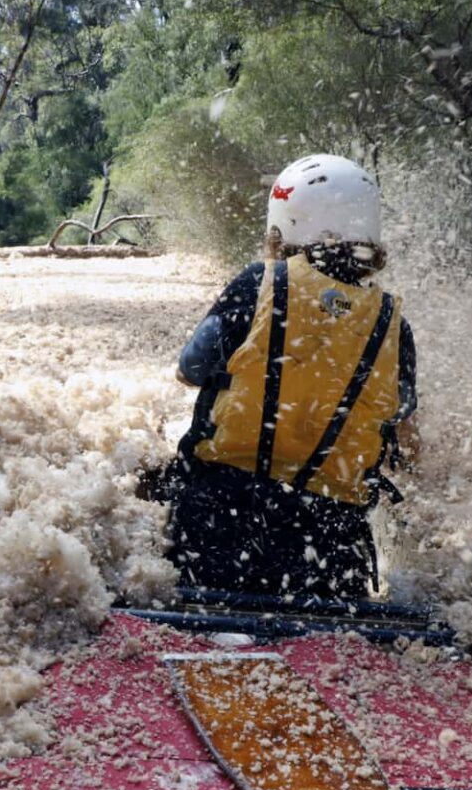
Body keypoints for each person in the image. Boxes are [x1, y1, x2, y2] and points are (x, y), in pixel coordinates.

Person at [166, 154, 418, 599]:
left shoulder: (258, 283)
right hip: (331, 543)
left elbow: (191, 369)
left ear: (285, 223)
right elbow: (407, 440)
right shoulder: (393, 325)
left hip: (220, 522)